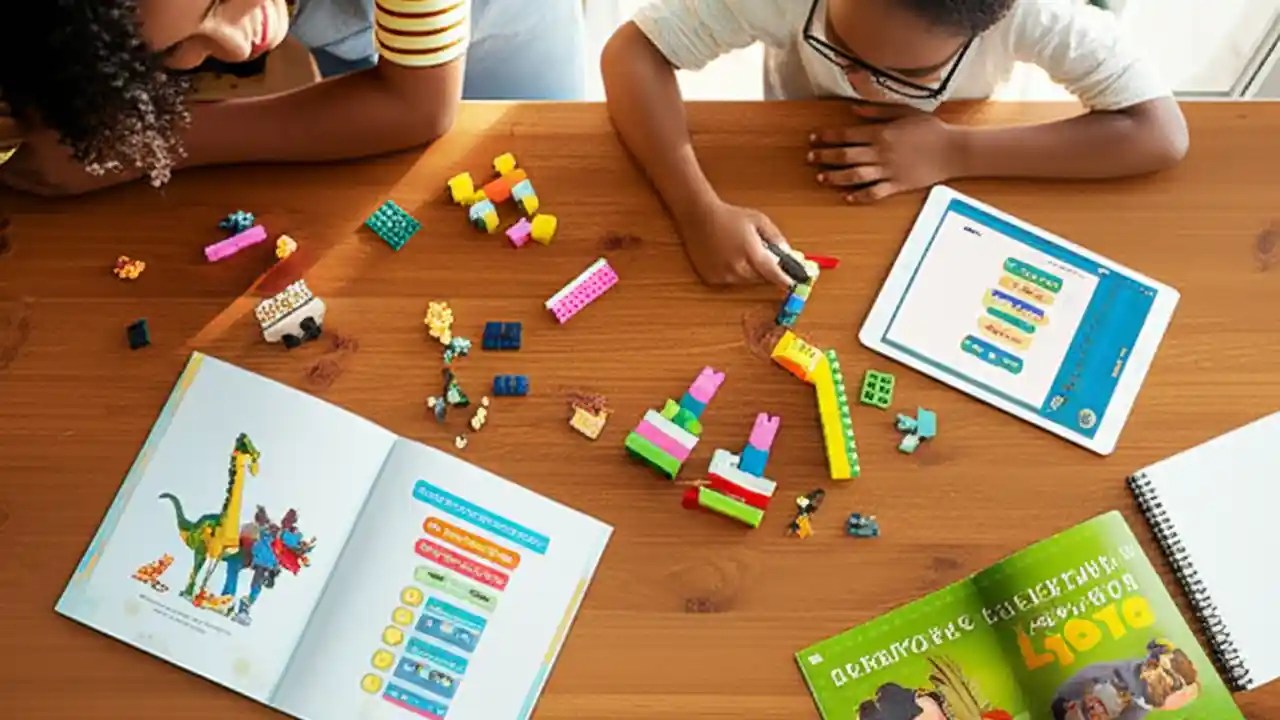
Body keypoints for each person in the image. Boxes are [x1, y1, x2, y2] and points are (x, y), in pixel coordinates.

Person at [601, 0, 1189, 288]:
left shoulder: (1033, 14)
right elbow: (632, 52)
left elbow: (1159, 133)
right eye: (840, 48)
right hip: (794, 138)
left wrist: (956, 152)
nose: (859, 81)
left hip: (945, 161)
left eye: (907, 76)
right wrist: (698, 209)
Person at [0, 0, 585, 196]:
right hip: (369, 41)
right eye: (173, 47)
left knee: (543, 165)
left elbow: (419, 106)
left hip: (507, 27)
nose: (236, 48)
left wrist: (147, 146)